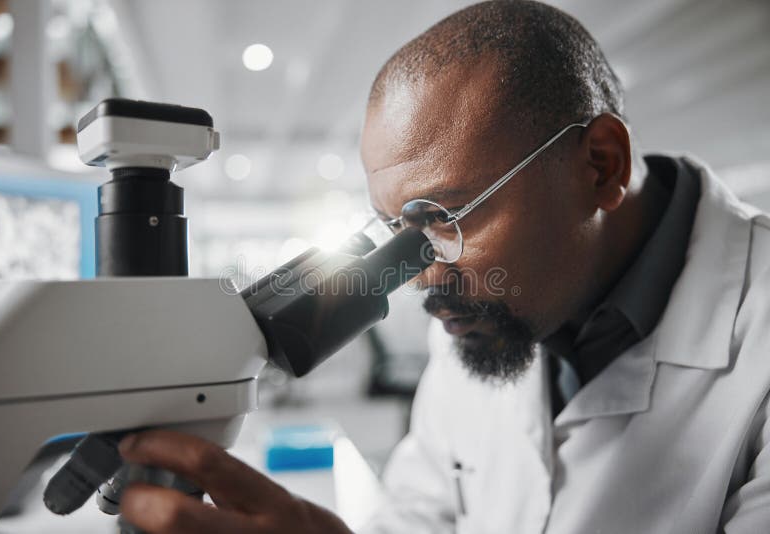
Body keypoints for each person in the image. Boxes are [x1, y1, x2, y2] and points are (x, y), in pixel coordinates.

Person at [114, 1, 770, 532]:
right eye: (398, 226)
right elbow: (418, 514)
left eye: (445, 215)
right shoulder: (479, 320)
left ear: (600, 165)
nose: (423, 275)